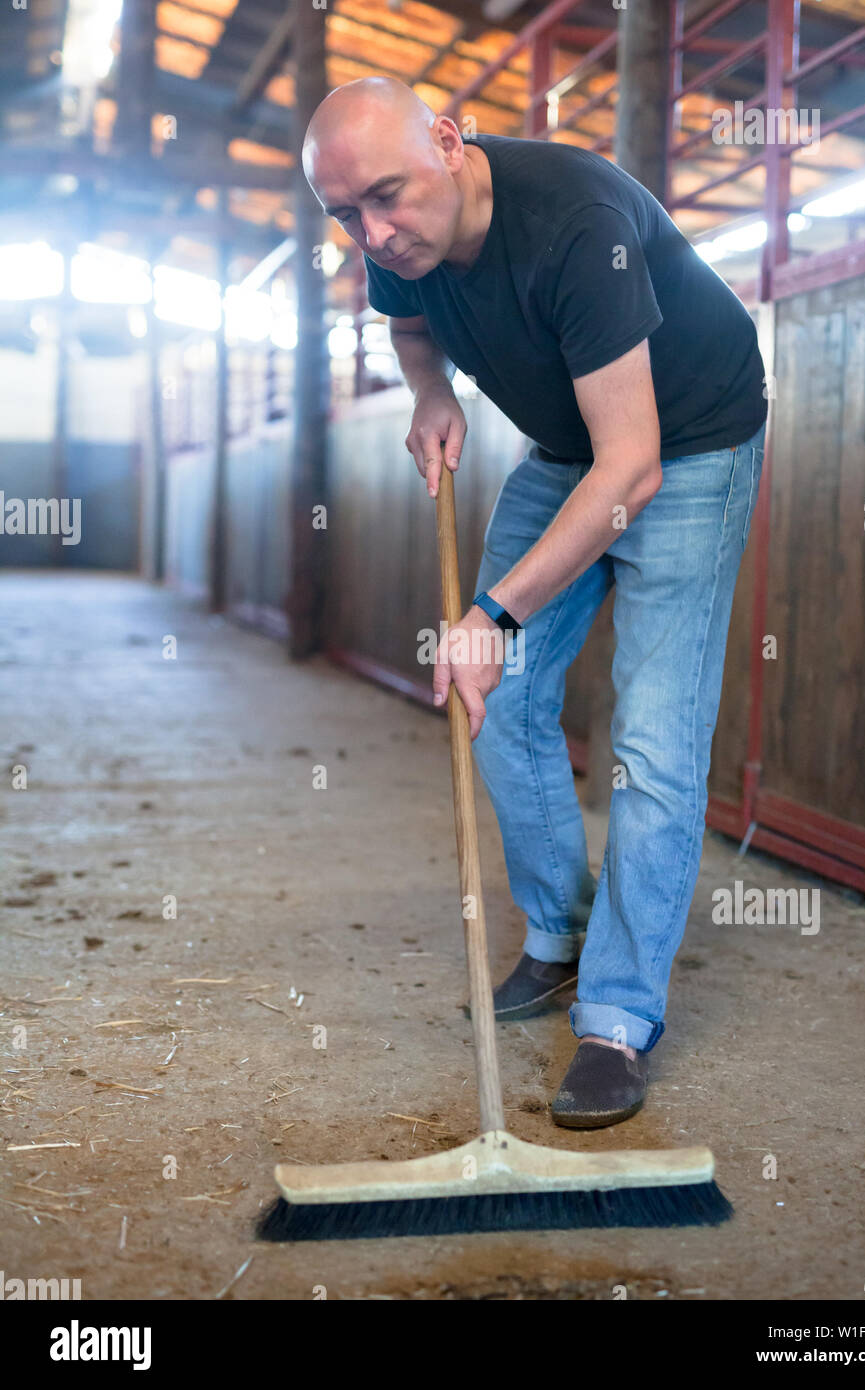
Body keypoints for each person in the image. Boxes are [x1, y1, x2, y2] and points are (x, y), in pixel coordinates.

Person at [303, 75, 767, 1129]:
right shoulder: (394, 241)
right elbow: (409, 321)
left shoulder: (575, 222)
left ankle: (613, 1017)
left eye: (385, 197)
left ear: (450, 144)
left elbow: (632, 468)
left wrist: (494, 614)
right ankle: (557, 939)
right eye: (343, 217)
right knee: (497, 701)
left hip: (681, 448)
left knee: (651, 742)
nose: (373, 233)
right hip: (571, 453)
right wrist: (429, 393)